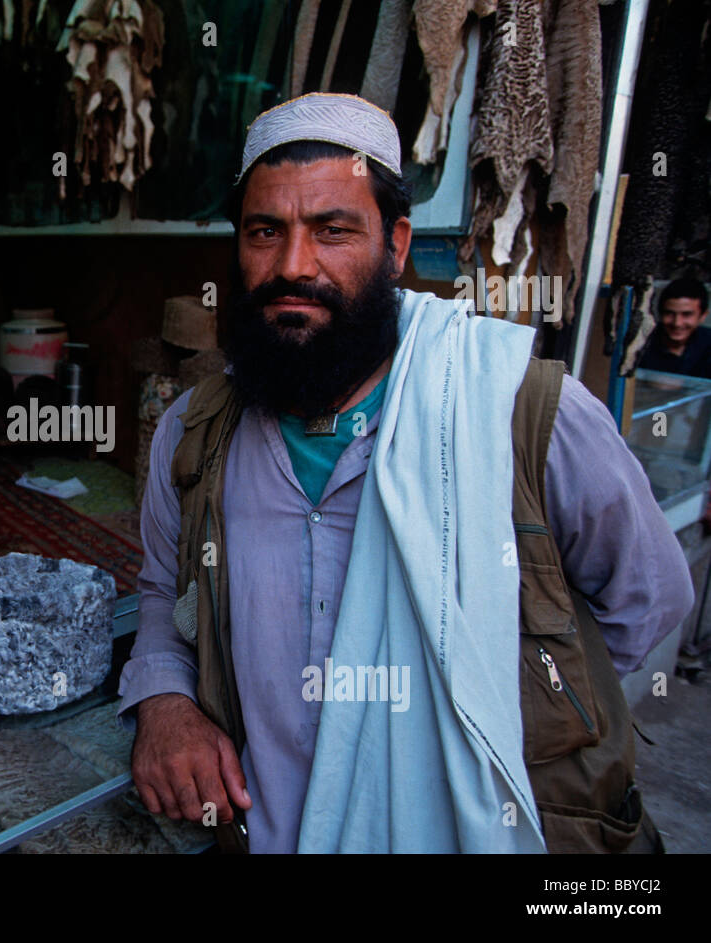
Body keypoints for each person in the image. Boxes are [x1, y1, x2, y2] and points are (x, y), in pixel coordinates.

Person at [120, 94, 694, 853]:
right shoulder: (194, 434)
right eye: (265, 232)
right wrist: (164, 699)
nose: (293, 266)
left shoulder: (516, 407)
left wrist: (502, 709)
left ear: (395, 247)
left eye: (333, 230)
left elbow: (649, 596)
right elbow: (164, 593)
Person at [638, 278, 711, 377]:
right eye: (669, 313)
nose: (677, 323)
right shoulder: (641, 342)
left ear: (703, 316)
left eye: (686, 314)